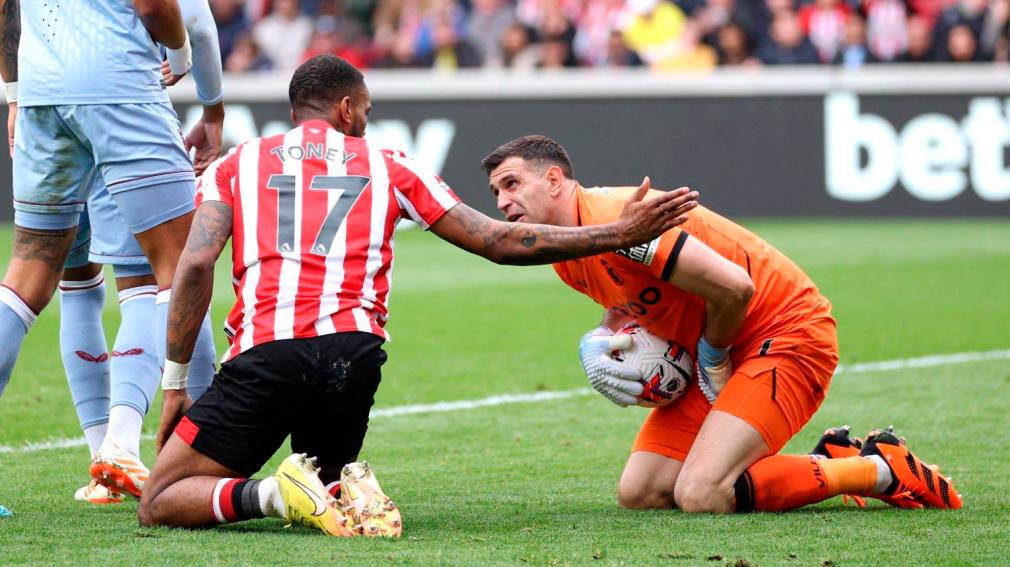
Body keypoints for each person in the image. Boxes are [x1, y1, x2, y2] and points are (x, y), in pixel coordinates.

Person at [137, 55, 699, 537]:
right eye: (367, 111)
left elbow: (194, 266)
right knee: (333, 496)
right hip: (353, 358)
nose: (365, 121)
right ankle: (335, 483)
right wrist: (618, 234)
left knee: (160, 499)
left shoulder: (235, 165)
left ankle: (279, 497)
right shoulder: (390, 165)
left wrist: (176, 385)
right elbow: (498, 241)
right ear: (347, 110)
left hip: (267, 353)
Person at [480, 134, 963, 514]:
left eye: (511, 184)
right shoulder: (567, 253)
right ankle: (830, 459)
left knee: (703, 493)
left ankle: (880, 469)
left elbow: (735, 288)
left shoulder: (624, 222)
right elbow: (628, 299)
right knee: (641, 491)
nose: (502, 202)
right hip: (722, 345)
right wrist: (605, 336)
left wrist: (710, 357)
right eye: (496, 191)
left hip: (789, 333)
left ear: (555, 180)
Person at [0, 0, 212, 503]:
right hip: (119, 88)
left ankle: (111, 445)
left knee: (25, 281)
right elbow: (156, 5)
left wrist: (13, 93)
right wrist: (180, 55)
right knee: (178, 266)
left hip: (40, 96)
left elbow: (6, 10)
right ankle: (200, 461)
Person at [56, 0, 225, 506]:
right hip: (121, 107)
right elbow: (193, 20)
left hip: (48, 111)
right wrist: (212, 104)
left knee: (75, 288)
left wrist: (17, 98)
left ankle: (102, 470)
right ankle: (127, 442)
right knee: (161, 280)